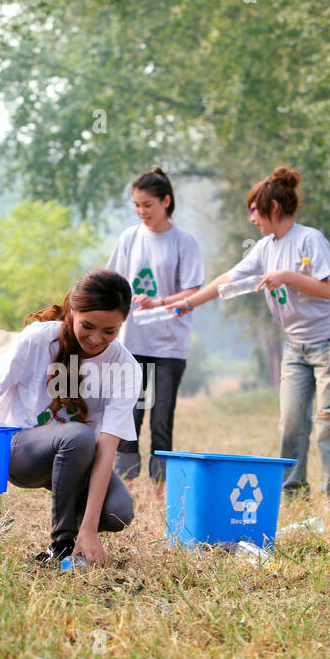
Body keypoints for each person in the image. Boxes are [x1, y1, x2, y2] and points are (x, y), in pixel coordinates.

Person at [176, 166, 330, 499]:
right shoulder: (264, 248)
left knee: (329, 422)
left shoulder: (309, 239)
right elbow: (227, 281)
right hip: (296, 347)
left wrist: (286, 275)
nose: (251, 219)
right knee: (291, 422)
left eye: (254, 210)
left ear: (273, 208)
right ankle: (292, 492)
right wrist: (189, 302)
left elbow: (328, 289)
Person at [0, 269, 142, 567]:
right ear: (72, 312)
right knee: (78, 435)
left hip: (76, 456)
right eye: (89, 326)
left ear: (122, 324)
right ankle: (62, 543)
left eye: (109, 331)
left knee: (118, 510)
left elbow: (107, 448)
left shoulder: (126, 369)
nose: (96, 339)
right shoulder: (39, 339)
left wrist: (91, 528)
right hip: (20, 447)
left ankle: (79, 533)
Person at [108, 167, 206, 483]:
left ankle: (161, 490)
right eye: (136, 205)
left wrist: (161, 302)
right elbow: (113, 281)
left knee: (161, 419)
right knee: (130, 416)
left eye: (147, 205)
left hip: (169, 346)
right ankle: (125, 487)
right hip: (133, 343)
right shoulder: (129, 238)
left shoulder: (183, 242)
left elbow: (195, 291)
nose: (141, 212)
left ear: (166, 202)